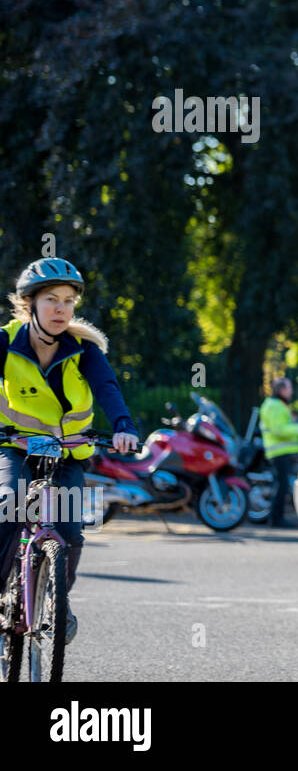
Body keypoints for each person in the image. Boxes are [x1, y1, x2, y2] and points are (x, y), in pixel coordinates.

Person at [0, 258, 139, 643]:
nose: (61, 309)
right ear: (29, 305)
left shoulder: (84, 350)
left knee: (68, 532)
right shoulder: (5, 342)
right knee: (11, 504)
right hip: (16, 448)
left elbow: (107, 389)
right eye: (51, 300)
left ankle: (55, 603)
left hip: (67, 454)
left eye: (68, 301)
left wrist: (124, 426)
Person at [259, 377, 298, 528]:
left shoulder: (279, 405)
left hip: (283, 451)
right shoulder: (274, 406)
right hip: (279, 452)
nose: (291, 391)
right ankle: (276, 519)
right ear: (282, 390)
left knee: (282, 485)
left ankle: (277, 517)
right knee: (281, 485)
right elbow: (279, 430)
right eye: (289, 388)